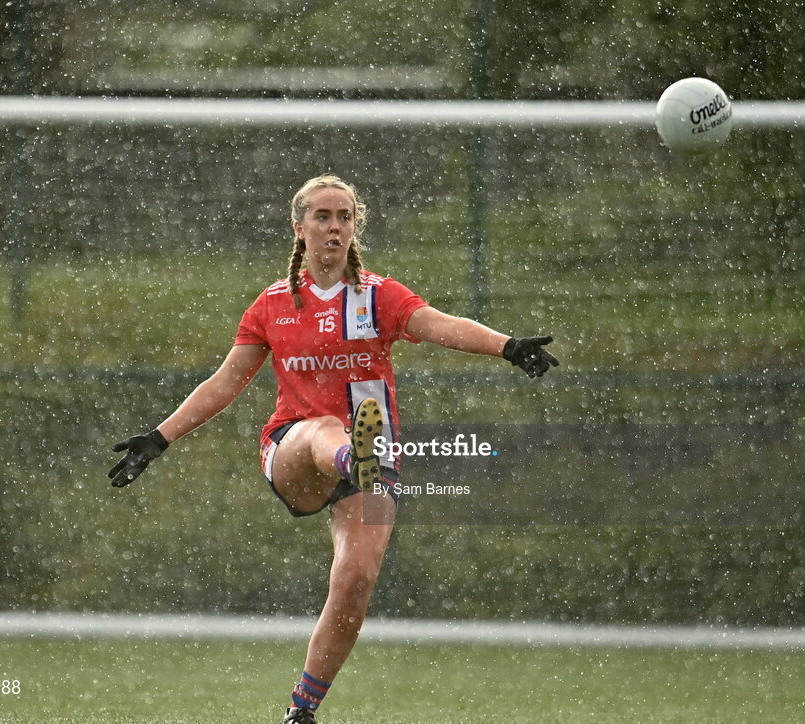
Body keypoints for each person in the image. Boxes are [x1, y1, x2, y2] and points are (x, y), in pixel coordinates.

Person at [107, 174, 558, 724]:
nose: (335, 226)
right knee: (325, 428)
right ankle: (353, 454)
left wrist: (506, 346)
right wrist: (159, 438)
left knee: (355, 580)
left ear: (354, 228)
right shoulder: (272, 306)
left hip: (375, 465)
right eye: (323, 216)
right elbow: (225, 383)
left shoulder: (378, 297)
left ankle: (301, 712)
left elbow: (438, 325)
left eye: (345, 216)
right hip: (293, 450)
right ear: (300, 228)